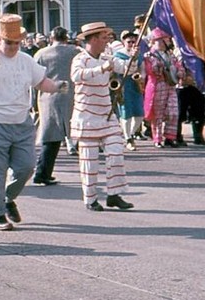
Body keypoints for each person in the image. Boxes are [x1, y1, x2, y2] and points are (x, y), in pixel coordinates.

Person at [0, 14, 69, 230]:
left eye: (16, 43)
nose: (12, 47)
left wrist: (57, 86)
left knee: (26, 166)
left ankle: (7, 198)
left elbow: (41, 82)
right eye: (8, 42)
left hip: (21, 122)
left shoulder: (26, 60)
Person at [70, 22, 136, 212]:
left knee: (116, 153)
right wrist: (102, 69)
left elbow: (128, 69)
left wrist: (133, 57)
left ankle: (114, 195)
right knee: (89, 161)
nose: (107, 41)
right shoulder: (80, 59)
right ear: (93, 40)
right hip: (86, 116)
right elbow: (77, 76)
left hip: (106, 114)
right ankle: (90, 199)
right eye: (104, 37)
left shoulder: (108, 57)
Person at [32, 26, 78, 184]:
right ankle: (42, 173)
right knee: (76, 135)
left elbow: (33, 79)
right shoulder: (75, 51)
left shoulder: (41, 54)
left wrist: (32, 103)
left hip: (47, 96)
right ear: (66, 38)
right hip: (70, 95)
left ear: (51, 38)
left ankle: (43, 171)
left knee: (51, 137)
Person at [143, 28, 183, 148]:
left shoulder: (169, 54)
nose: (167, 42)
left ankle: (170, 137)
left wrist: (180, 72)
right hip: (157, 85)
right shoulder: (149, 55)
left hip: (170, 85)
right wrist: (158, 67)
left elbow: (178, 65)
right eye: (163, 40)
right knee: (158, 114)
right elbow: (151, 71)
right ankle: (158, 139)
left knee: (173, 112)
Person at [114, 30, 145, 150]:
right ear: (124, 42)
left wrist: (142, 76)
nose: (132, 44)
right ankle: (128, 138)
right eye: (129, 41)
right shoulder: (118, 55)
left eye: (134, 41)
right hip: (124, 85)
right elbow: (120, 70)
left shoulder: (139, 55)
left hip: (135, 85)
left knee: (139, 113)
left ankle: (131, 134)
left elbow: (142, 68)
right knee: (126, 113)